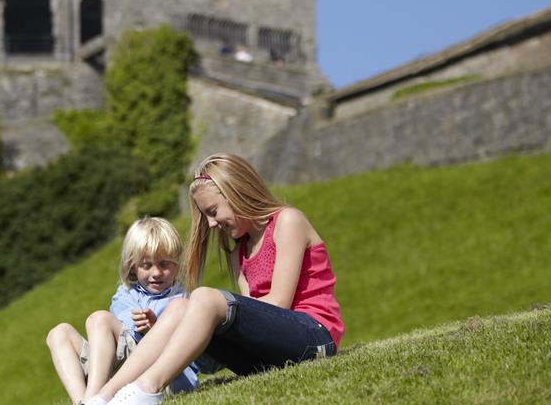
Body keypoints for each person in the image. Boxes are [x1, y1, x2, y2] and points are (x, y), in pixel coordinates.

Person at [83, 154, 343, 405]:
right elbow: (255, 317)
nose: (212, 223)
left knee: (205, 298)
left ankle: (147, 389)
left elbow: (279, 303)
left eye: (213, 211)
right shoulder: (238, 249)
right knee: (179, 307)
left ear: (237, 193)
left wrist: (215, 311)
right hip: (269, 355)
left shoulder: (287, 220)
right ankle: (104, 396)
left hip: (314, 337)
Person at [47, 217, 199, 405]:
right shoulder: (125, 295)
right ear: (133, 267)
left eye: (164, 264)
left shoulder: (182, 301)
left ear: (177, 264)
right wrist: (139, 325)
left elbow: (190, 369)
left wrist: (154, 330)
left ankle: (94, 398)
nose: (156, 273)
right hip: (118, 370)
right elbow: (121, 329)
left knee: (100, 319)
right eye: (146, 265)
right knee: (59, 333)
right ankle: (82, 401)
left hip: (159, 376)